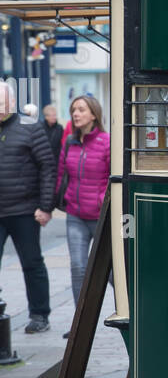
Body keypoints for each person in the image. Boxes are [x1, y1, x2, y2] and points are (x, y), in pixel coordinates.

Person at [0, 80, 56, 332]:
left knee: (32, 263)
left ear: (12, 101)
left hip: (24, 209)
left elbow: (47, 167)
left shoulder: (30, 127)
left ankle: (39, 315)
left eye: (2, 102)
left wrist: (45, 206)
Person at [55, 94, 110, 317]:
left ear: (94, 115)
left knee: (113, 272)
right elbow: (61, 174)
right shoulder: (70, 142)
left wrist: (101, 201)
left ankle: (130, 313)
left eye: (81, 109)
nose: (76, 114)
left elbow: (112, 177)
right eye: (73, 110)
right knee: (78, 268)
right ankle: (81, 323)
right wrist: (64, 197)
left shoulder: (106, 142)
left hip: (99, 217)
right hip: (75, 215)